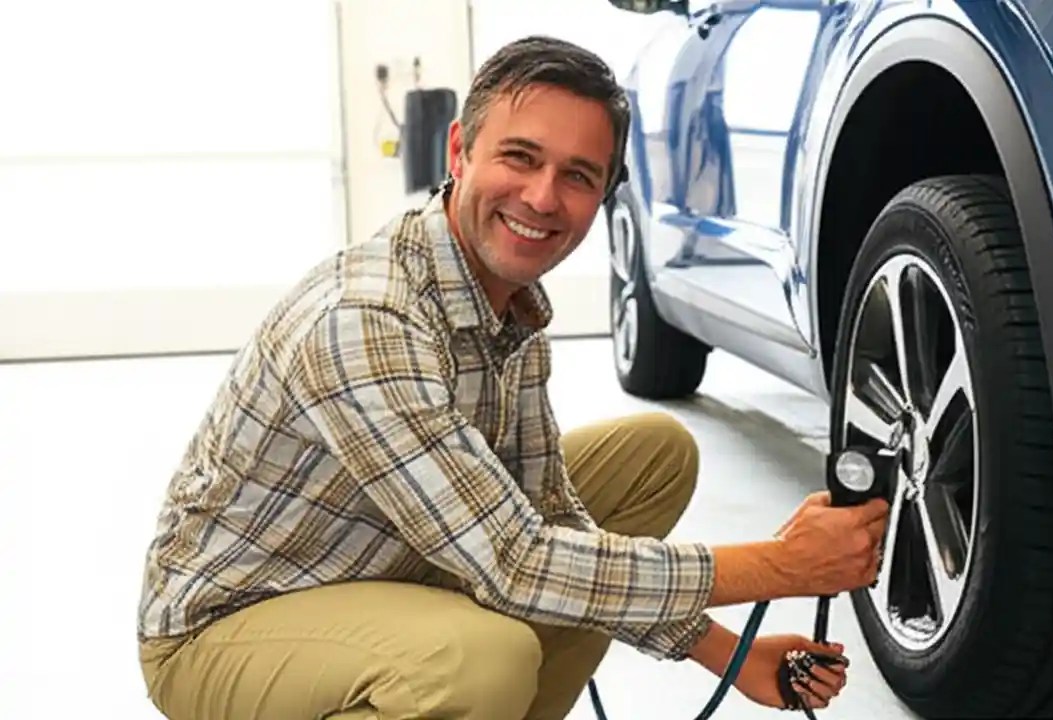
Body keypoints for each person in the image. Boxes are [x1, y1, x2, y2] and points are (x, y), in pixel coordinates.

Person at [135, 35, 890, 720]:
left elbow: (551, 519)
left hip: (396, 565)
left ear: (604, 196)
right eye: (520, 157)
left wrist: (728, 653)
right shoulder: (365, 319)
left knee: (651, 458)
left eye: (578, 176)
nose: (541, 198)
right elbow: (514, 561)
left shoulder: (511, 307)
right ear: (459, 151)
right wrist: (780, 566)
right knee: (477, 661)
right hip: (228, 628)